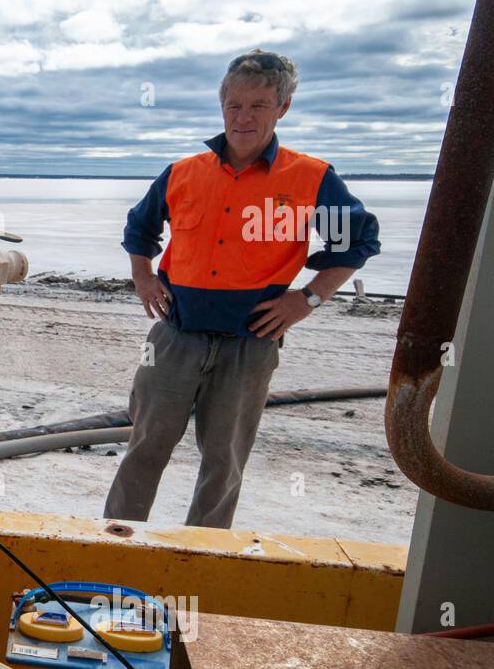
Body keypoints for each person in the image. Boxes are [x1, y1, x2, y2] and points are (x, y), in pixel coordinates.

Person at [103, 49, 380, 530]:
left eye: (259, 104)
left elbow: (358, 242)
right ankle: (114, 543)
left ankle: (203, 552)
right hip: (174, 339)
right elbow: (139, 228)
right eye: (234, 104)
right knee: (145, 447)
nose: (243, 116)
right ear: (221, 105)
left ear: (283, 107)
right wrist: (143, 275)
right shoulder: (183, 172)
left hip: (249, 347)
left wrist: (307, 299)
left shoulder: (311, 178)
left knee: (224, 463)